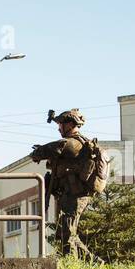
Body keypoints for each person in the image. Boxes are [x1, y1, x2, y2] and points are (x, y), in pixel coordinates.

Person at [30, 109, 95, 258]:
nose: (59, 128)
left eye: (61, 124)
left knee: (67, 232)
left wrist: (37, 153)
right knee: (65, 232)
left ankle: (70, 263)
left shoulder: (73, 143)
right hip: (70, 194)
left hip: (75, 195)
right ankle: (95, 263)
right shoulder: (77, 142)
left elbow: (47, 150)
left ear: (71, 124)